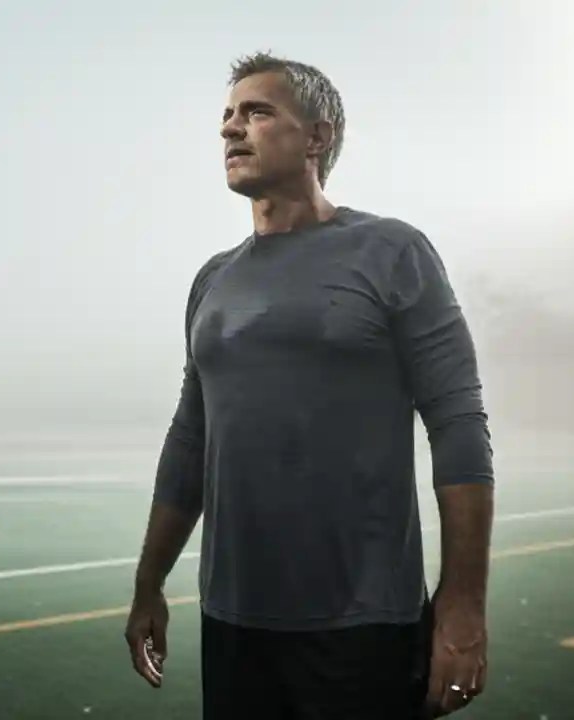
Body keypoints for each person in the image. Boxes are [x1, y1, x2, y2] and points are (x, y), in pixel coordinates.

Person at [124, 52, 495, 719]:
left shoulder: (392, 252)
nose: (231, 128)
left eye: (257, 112)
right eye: (228, 116)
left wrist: (462, 604)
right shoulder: (213, 280)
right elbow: (190, 439)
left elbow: (458, 423)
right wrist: (148, 583)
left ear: (318, 137)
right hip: (234, 622)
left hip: (364, 625)